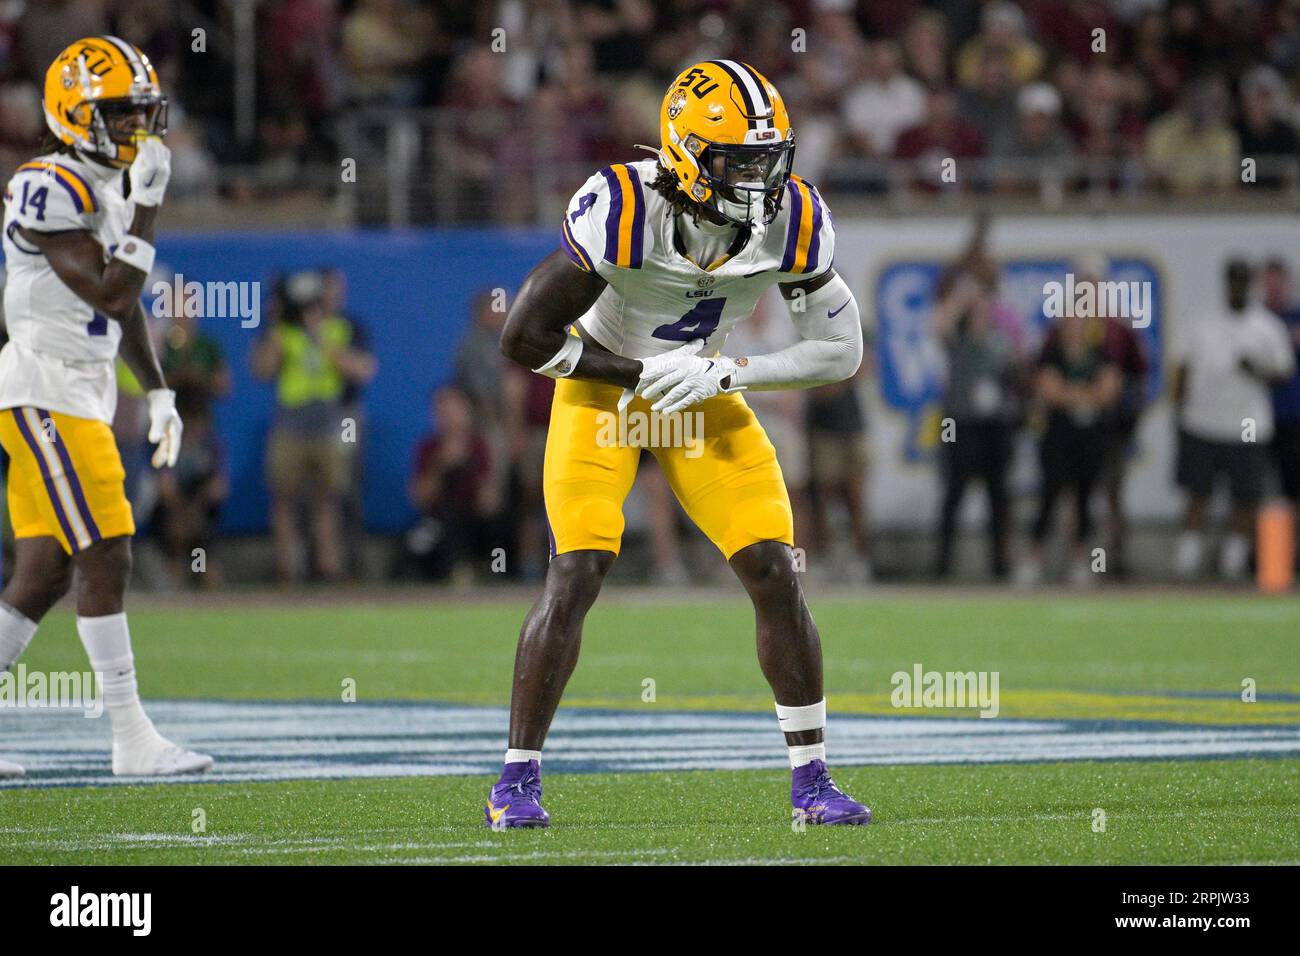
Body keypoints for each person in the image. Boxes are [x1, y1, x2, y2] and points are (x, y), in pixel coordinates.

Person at [488, 61, 868, 829]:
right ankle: (515, 782)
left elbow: (843, 350)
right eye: (740, 163)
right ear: (687, 154)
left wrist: (731, 373)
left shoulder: (791, 218)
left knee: (774, 567)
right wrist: (637, 373)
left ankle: (812, 781)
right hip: (604, 389)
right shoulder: (624, 208)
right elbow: (524, 337)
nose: (762, 181)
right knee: (580, 567)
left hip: (701, 392)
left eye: (770, 160)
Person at [0, 37, 211, 779]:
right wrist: (149, 204)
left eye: (142, 115)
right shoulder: (49, 181)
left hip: (76, 388)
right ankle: (132, 739)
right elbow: (112, 291)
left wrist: (157, 389)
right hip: (44, 387)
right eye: (120, 116)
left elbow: (127, 313)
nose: (136, 131)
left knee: (43, 573)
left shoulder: (109, 185)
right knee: (109, 547)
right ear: (74, 114)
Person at [251, 270, 377, 586]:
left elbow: (361, 371)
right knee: (284, 498)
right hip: (290, 422)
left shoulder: (339, 328)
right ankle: (287, 570)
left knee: (328, 498)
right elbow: (262, 371)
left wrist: (320, 337)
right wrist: (276, 330)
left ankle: (327, 568)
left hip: (328, 423)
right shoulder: (285, 332)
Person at [1174, 260, 1296, 580]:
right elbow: (1182, 368)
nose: (1238, 289)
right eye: (1233, 282)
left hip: (1246, 423)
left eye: (1243, 283)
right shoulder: (1202, 320)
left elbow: (1283, 371)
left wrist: (1256, 369)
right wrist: (1180, 412)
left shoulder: (1266, 325)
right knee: (1197, 491)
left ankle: (1235, 556)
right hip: (1202, 421)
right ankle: (1188, 557)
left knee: (1245, 492)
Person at [1263, 259, 1300, 509]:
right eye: (1269, 283)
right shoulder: (1253, 320)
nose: (1274, 288)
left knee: (1293, 481)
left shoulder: (1296, 318)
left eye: (1279, 283)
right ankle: (1253, 542)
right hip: (1252, 419)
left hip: (1292, 417)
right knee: (1253, 477)